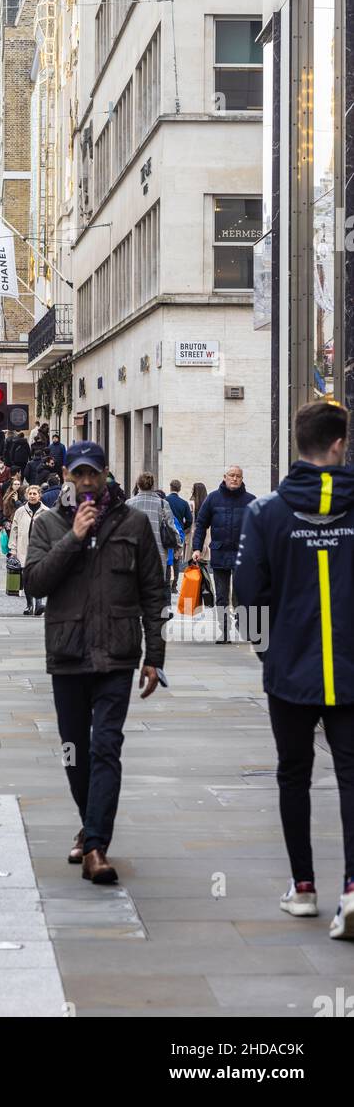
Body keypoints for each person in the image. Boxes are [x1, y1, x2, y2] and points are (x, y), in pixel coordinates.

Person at [235, 400, 354, 940]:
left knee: (293, 775)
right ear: (339, 445)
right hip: (351, 673)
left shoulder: (266, 513)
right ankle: (352, 890)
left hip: (290, 674)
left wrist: (270, 654)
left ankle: (303, 888)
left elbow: (247, 600)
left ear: (299, 445)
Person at [23, 440, 167, 884]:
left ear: (105, 475)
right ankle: (91, 827)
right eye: (79, 473)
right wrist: (75, 537)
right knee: (74, 752)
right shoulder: (47, 524)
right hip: (67, 653)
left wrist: (154, 657)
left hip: (117, 656)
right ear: (67, 475)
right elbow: (33, 582)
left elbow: (153, 593)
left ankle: (96, 848)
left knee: (106, 746)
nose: (86, 482)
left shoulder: (135, 523)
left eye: (94, 473)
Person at [192, 465, 255, 642]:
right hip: (220, 554)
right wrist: (197, 548)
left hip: (243, 556)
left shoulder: (250, 500)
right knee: (221, 596)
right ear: (224, 477)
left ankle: (242, 624)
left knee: (242, 594)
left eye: (238, 476)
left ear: (242, 479)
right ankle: (224, 631)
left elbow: (260, 528)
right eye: (231, 475)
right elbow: (201, 524)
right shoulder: (213, 498)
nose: (235, 479)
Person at [11, 483, 50, 616]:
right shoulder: (20, 511)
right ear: (27, 495)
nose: (32, 496)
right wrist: (13, 549)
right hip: (23, 548)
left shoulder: (46, 512)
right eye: (30, 494)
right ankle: (29, 605)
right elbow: (14, 531)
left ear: (40, 496)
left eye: (35, 494)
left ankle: (39, 604)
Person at [127, 472, 177, 572]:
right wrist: (178, 546)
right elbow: (171, 528)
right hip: (158, 554)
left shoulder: (129, 503)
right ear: (152, 485)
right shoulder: (163, 504)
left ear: (138, 485)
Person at [188, 482, 209, 561]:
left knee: (193, 561)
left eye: (193, 489)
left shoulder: (191, 503)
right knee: (204, 561)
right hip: (206, 536)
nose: (191, 491)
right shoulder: (207, 503)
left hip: (193, 533)